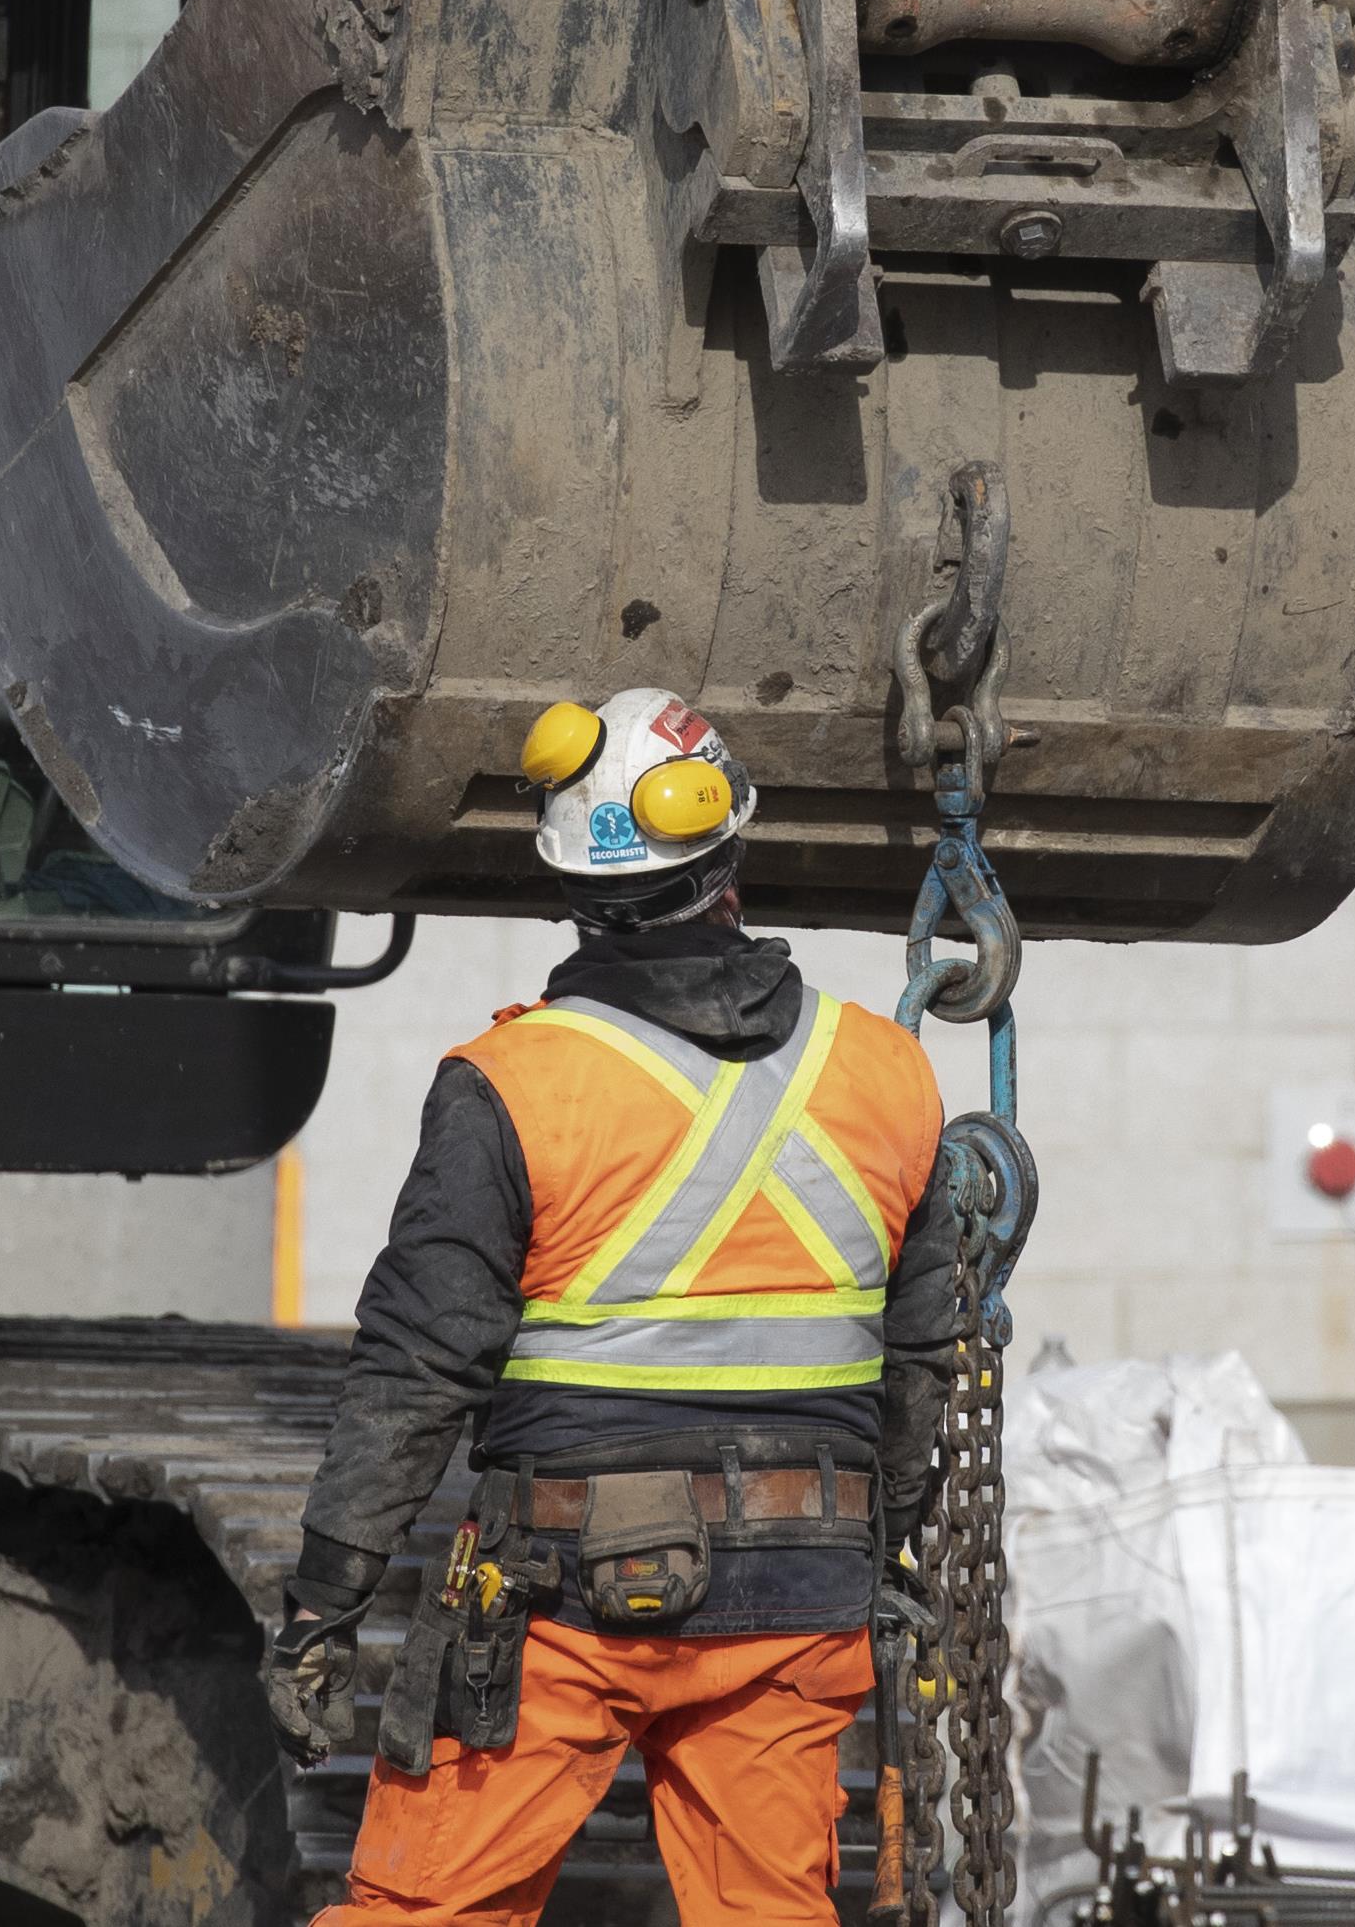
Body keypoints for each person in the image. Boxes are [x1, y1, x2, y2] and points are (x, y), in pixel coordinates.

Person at [263, 689, 967, 1927]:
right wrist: (887, 1535)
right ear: (731, 854)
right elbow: (917, 1355)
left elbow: (417, 1367)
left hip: (566, 1588)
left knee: (424, 1913)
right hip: (799, 1586)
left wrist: (325, 1601)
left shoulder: (512, 1082)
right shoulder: (886, 1072)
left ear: (570, 891)